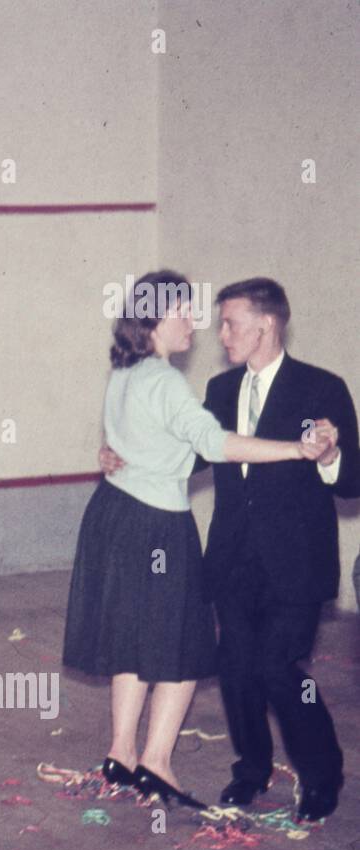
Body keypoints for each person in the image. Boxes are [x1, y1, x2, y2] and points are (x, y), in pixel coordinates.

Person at [66, 271, 327, 809]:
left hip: (114, 516)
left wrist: (112, 456)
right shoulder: (165, 381)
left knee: (132, 640)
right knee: (180, 648)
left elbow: (138, 443)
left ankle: (121, 752)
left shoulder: (125, 371)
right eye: (188, 312)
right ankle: (157, 763)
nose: (198, 324)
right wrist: (294, 450)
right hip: (157, 525)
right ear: (161, 317)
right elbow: (217, 444)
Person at [194, 279, 357, 821]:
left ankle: (322, 775)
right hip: (232, 559)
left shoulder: (321, 389)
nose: (221, 335)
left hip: (296, 564)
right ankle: (252, 769)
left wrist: (330, 455)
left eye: (230, 323)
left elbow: (352, 480)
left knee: (278, 668)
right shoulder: (219, 391)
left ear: (266, 325)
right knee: (237, 668)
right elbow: (193, 453)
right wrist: (132, 453)